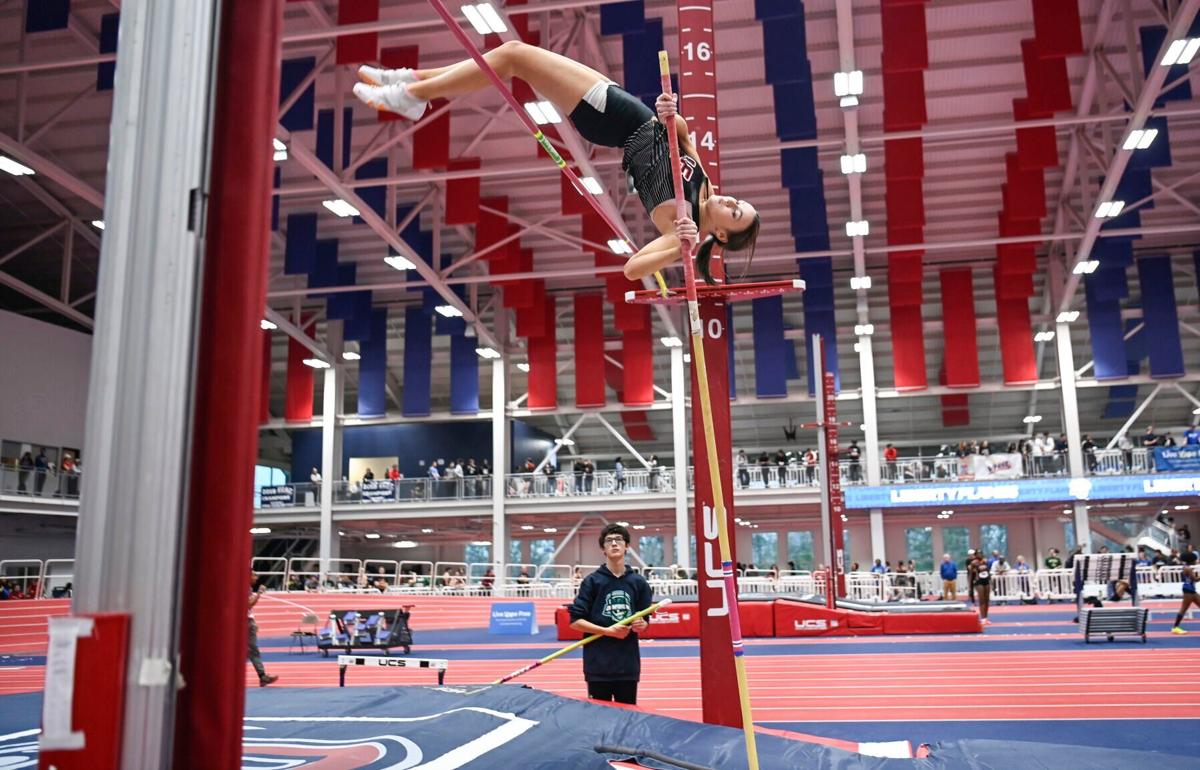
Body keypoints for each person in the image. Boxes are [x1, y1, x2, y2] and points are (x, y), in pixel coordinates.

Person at [354, 42, 761, 285]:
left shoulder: (680, 231)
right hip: (629, 108)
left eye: (734, 212)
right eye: (738, 201)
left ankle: (414, 94)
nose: (730, 201)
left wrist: (683, 249)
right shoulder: (705, 188)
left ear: (721, 235)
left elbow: (634, 269)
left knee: (514, 57)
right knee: (507, 55)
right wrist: (669, 112)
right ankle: (410, 83)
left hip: (611, 120)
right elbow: (684, 136)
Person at [568, 524, 653, 704]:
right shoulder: (591, 582)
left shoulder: (639, 583)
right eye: (609, 541)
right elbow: (575, 621)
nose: (614, 544)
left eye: (619, 540)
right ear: (603, 549)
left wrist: (641, 626)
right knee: (599, 724)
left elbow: (645, 622)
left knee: (628, 719)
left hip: (627, 666)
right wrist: (607, 631)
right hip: (598, 667)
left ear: (627, 546)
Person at [247, 570, 278, 687]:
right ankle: (262, 676)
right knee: (253, 650)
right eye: (254, 575)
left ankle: (262, 676)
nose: (257, 577)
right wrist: (259, 593)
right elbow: (249, 604)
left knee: (251, 650)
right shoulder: (246, 589)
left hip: (247, 622)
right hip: (246, 623)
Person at [1171, 551, 1199, 634]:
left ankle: (1175, 627)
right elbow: (1195, 579)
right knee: (1183, 609)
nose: (1195, 561)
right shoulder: (1188, 568)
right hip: (1188, 591)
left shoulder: (1186, 567)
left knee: (1184, 609)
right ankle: (1175, 627)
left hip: (1191, 590)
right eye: (1195, 560)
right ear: (1191, 560)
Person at [973, 552, 992, 624]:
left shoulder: (986, 562)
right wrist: (970, 587)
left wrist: (990, 581)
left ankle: (986, 618)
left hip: (986, 581)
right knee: (982, 600)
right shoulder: (974, 563)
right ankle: (983, 617)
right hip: (979, 582)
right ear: (976, 555)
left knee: (987, 600)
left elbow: (989, 572)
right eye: (978, 554)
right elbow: (971, 574)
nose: (980, 555)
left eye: (981, 553)